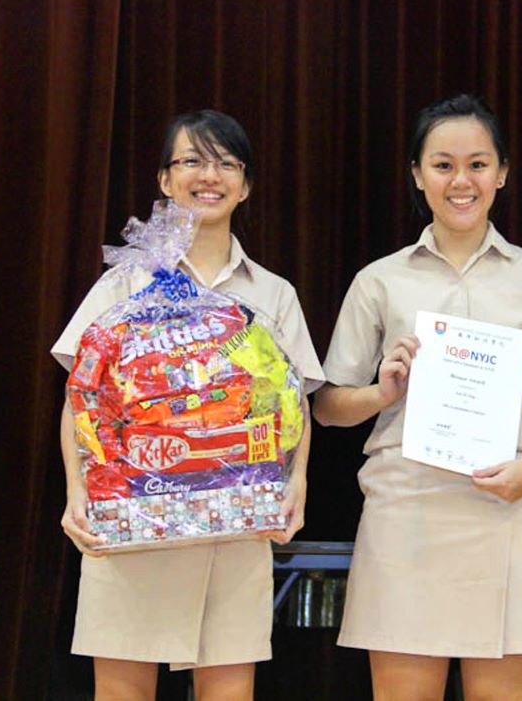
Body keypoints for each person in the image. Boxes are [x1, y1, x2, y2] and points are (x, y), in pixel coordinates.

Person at [314, 94, 522, 700]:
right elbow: (329, 406)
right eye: (442, 165)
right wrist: (380, 393)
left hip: (509, 511)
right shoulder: (380, 279)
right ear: (417, 174)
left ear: (502, 173)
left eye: (477, 164)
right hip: (406, 514)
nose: (461, 181)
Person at [51, 110, 324, 700]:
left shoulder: (272, 293)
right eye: (192, 161)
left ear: (246, 185)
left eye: (227, 163)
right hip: (131, 524)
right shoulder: (123, 285)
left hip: (235, 523)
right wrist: (77, 491)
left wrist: (298, 481)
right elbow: (82, 401)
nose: (211, 175)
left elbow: (292, 406)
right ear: (165, 179)